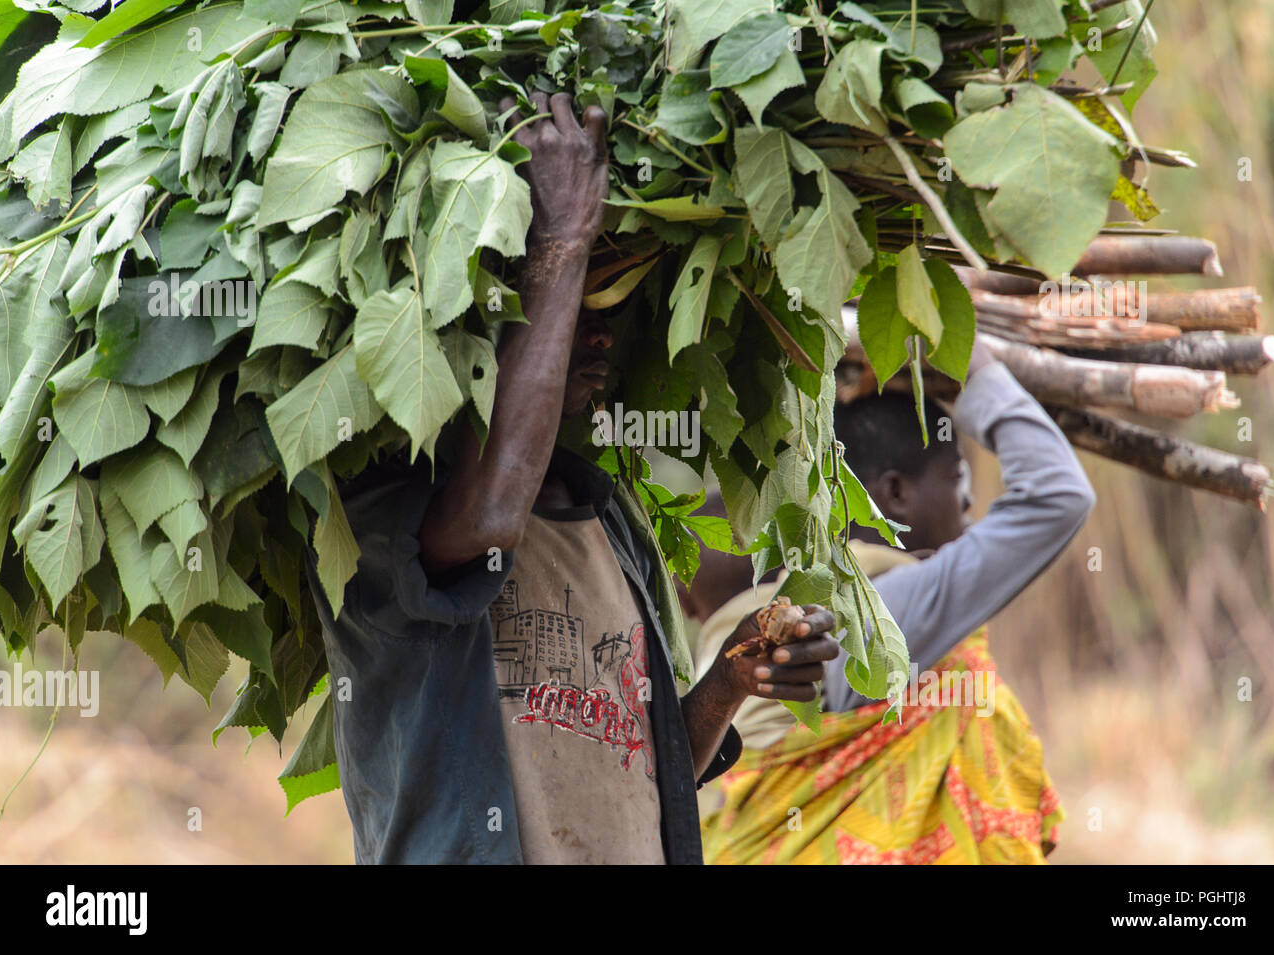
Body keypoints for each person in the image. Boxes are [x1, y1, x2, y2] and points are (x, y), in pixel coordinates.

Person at [299, 91, 840, 864]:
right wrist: (562, 236)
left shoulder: (609, 521)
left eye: (606, 303)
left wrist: (727, 681)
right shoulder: (379, 514)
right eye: (569, 298)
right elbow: (489, 519)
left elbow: (643, 782)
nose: (594, 329)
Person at [691, 335, 1097, 864]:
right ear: (896, 492)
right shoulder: (881, 609)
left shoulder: (759, 610)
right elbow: (1058, 497)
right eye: (956, 480)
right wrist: (975, 363)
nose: (970, 506)